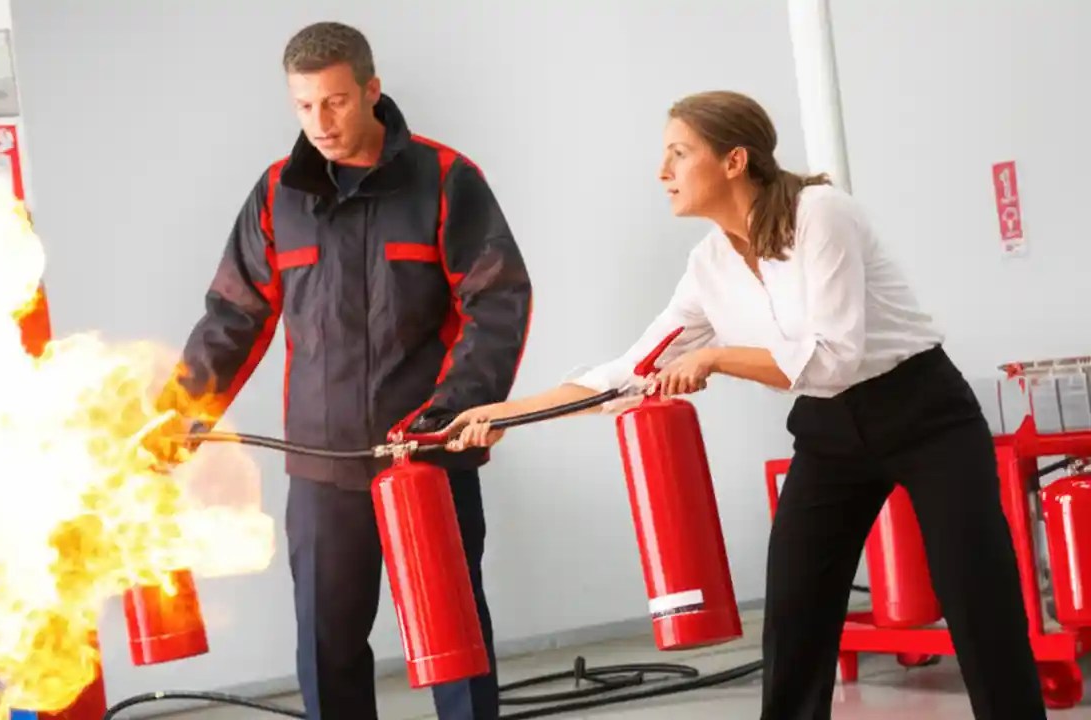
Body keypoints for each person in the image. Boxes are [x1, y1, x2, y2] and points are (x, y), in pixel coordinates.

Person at [446, 90, 1046, 719]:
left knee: (979, 598)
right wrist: (503, 414)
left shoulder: (822, 214)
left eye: (679, 153)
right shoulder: (707, 267)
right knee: (794, 613)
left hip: (924, 414)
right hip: (829, 432)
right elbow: (630, 374)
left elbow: (836, 354)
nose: (663, 171)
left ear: (734, 160)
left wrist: (716, 357)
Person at [146, 21, 532, 720]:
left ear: (371, 91)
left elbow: (497, 298)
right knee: (327, 649)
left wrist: (455, 411)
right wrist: (180, 416)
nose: (319, 123)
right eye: (303, 106)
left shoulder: (445, 180)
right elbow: (232, 318)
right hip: (321, 466)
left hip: (424, 458)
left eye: (335, 102)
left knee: (454, 639)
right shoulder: (277, 195)